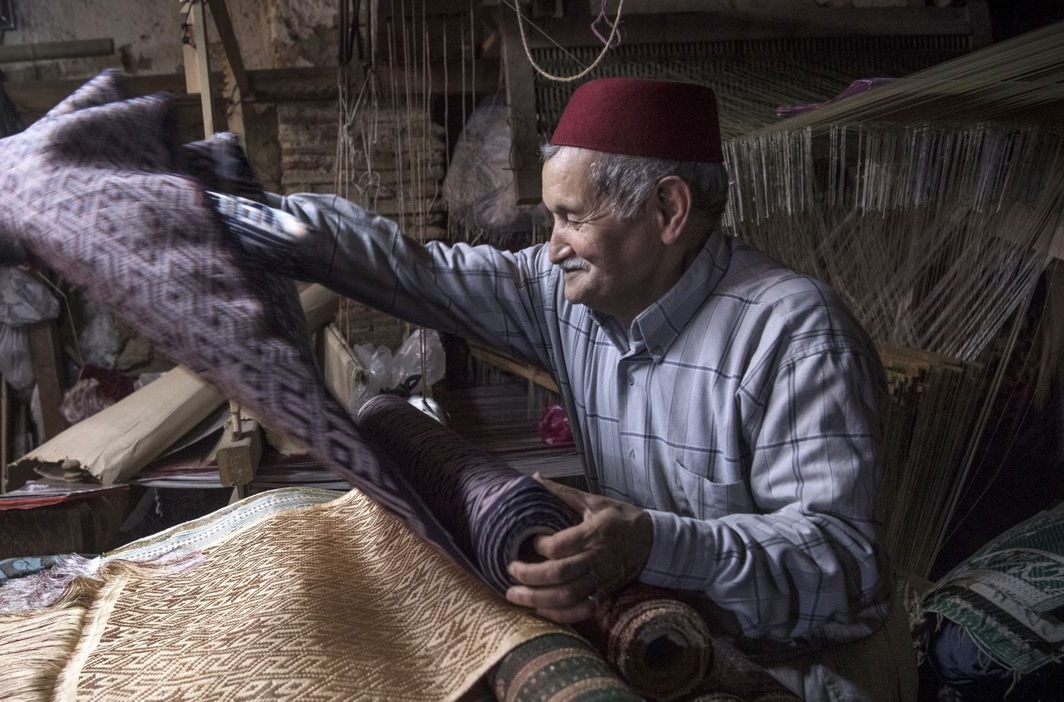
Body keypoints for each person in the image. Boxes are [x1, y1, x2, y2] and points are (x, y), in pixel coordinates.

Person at [221, 77, 915, 700]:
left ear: (668, 211)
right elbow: (411, 270)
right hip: (653, 647)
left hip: (802, 677)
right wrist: (238, 214)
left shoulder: (794, 337)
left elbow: (843, 574)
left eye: (571, 218)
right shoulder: (566, 298)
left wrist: (650, 544)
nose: (551, 247)